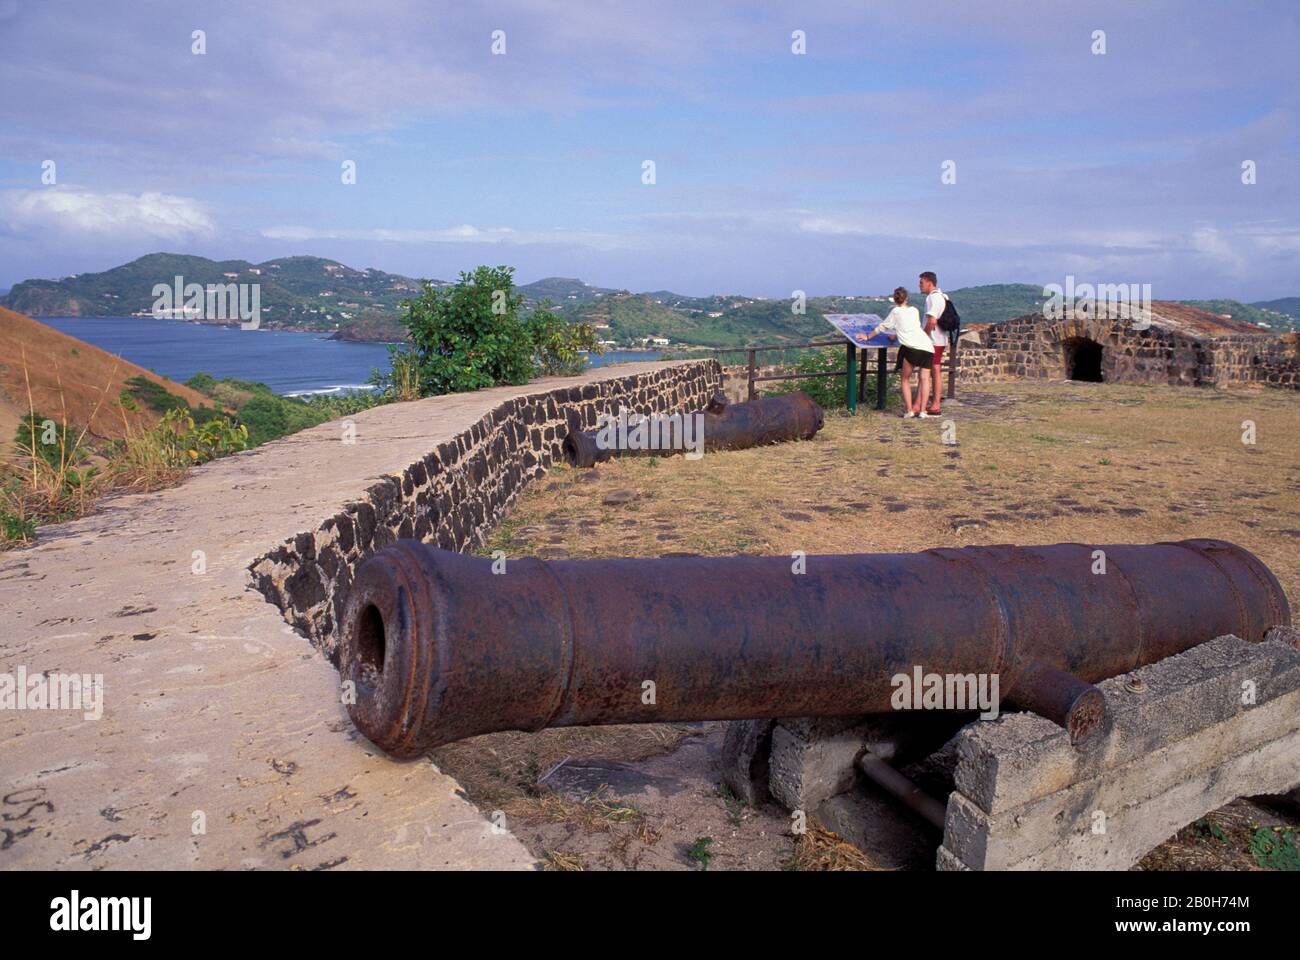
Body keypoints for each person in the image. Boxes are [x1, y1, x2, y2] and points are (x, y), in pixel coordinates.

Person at [874, 286, 934, 418]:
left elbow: (882, 327)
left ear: (895, 300)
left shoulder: (895, 311)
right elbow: (912, 327)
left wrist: (867, 336)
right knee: (924, 379)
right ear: (906, 298)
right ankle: (923, 411)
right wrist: (896, 335)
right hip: (927, 346)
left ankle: (909, 410)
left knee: (905, 379)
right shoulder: (914, 310)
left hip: (911, 348)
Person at [918, 271, 947, 415]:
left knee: (927, 372)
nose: (919, 285)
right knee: (935, 370)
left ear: (929, 282)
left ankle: (931, 404)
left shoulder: (932, 298)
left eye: (921, 282)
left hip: (933, 340)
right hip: (940, 339)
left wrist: (923, 335)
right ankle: (933, 403)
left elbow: (932, 320)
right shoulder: (943, 296)